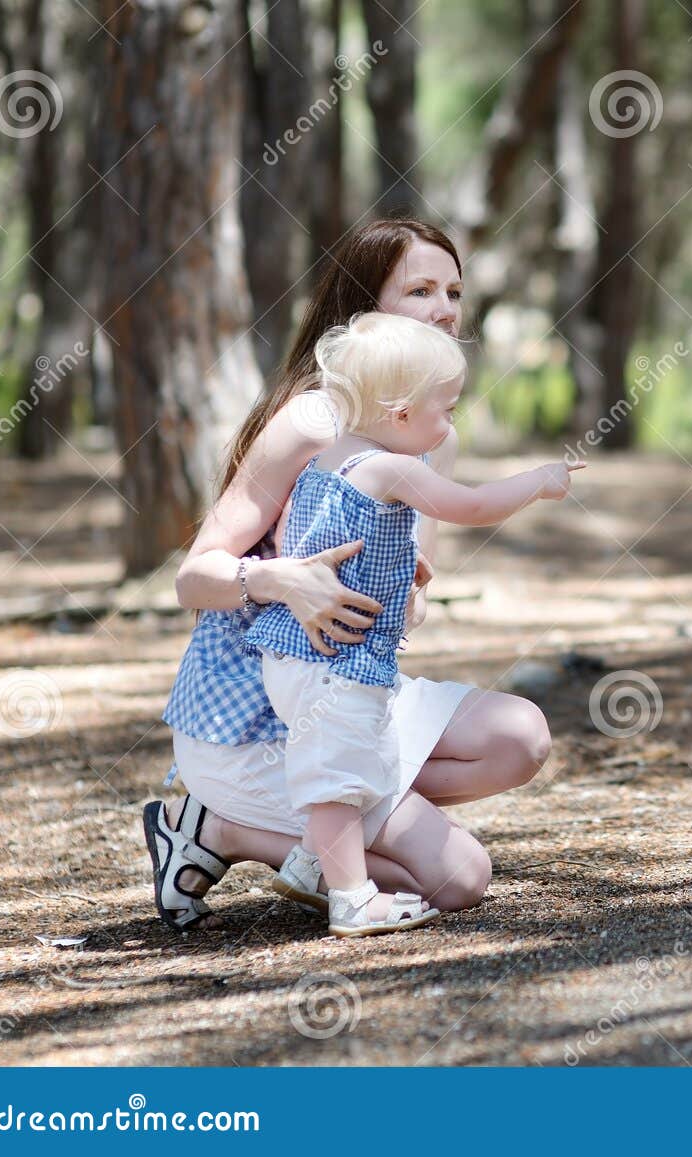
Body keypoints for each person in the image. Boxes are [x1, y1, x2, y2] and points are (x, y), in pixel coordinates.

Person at [144, 218, 551, 931]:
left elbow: (411, 597)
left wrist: (410, 592)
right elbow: (194, 578)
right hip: (258, 712)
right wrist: (284, 580)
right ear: (365, 307)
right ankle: (221, 826)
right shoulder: (310, 421)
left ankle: (339, 816)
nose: (445, 308)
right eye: (420, 289)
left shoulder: (430, 435)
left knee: (521, 736)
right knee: (462, 877)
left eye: (454, 290)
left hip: (354, 691)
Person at [242, 314, 579, 935]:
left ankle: (308, 861)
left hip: (292, 655)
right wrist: (538, 482)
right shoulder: (393, 469)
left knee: (346, 764)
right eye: (445, 409)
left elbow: (304, 541)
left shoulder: (327, 463)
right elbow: (471, 506)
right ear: (399, 414)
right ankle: (351, 898)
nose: (450, 424)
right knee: (340, 780)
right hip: (336, 664)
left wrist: (390, 561)